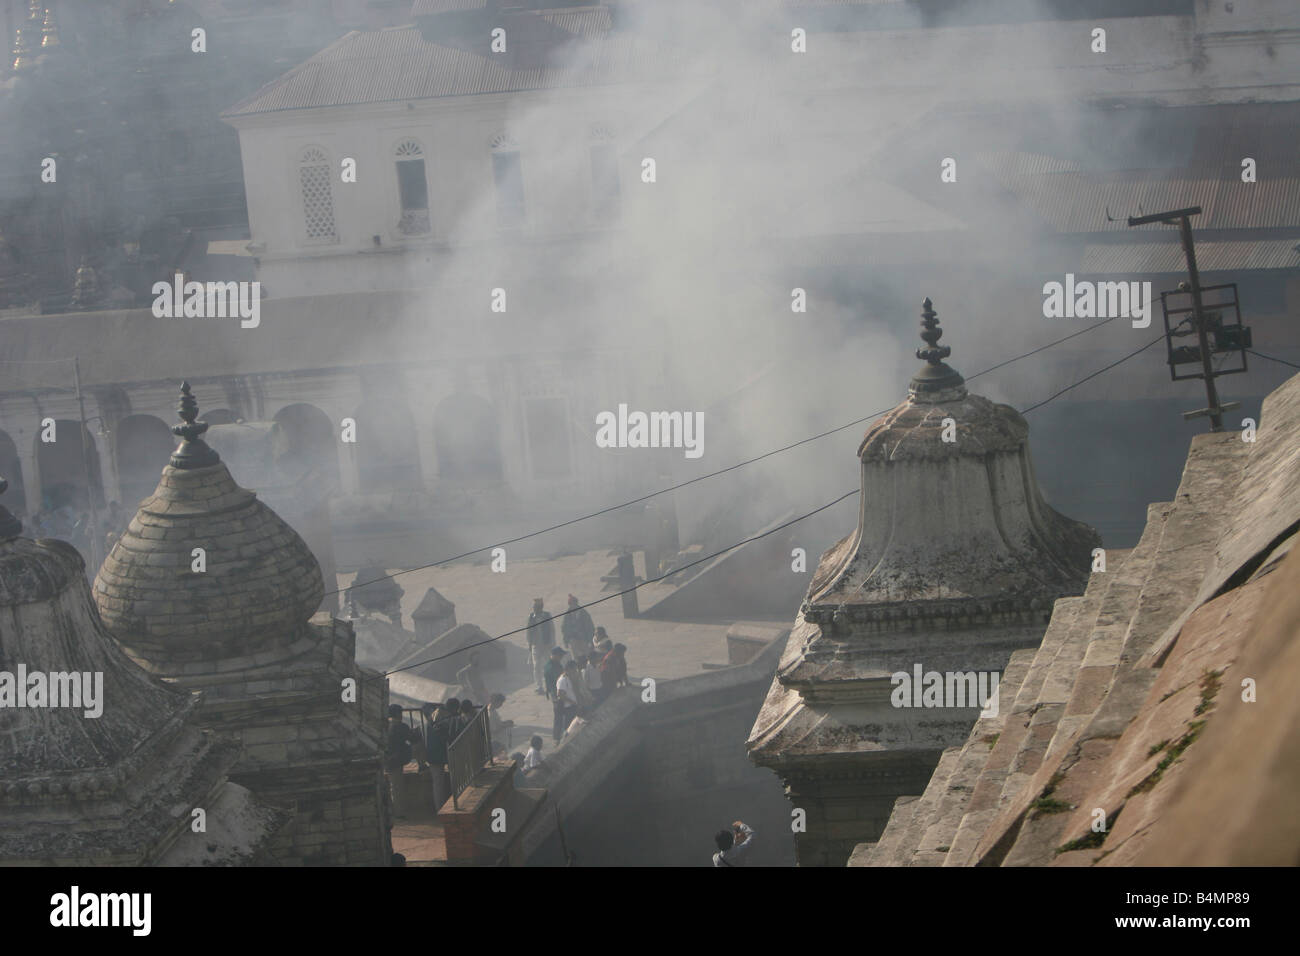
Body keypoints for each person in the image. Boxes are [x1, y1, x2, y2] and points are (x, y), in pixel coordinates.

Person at [423, 702, 451, 812]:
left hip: (432, 756)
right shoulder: (444, 723)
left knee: (437, 783)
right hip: (445, 753)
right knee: (453, 779)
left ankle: (439, 808)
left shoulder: (427, 724)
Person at [527, 598, 556, 695]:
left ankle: (550, 684)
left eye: (535, 607)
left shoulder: (547, 616)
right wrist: (529, 645)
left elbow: (552, 630)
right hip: (536, 645)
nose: (534, 609)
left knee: (548, 665)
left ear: (540, 607)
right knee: (536, 666)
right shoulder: (531, 617)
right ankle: (539, 686)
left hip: (546, 645)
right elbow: (528, 632)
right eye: (533, 607)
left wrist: (552, 644)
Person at [561, 594, 595, 660]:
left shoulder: (584, 613)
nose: (573, 606)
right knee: (575, 658)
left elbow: (590, 627)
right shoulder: (567, 615)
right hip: (573, 640)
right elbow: (564, 629)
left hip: (584, 638)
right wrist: (565, 640)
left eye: (574, 603)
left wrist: (591, 640)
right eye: (571, 604)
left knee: (587, 656)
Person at [544, 647, 567, 741]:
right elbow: (559, 678)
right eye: (560, 655)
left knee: (560, 715)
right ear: (555, 655)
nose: (561, 657)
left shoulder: (555, 663)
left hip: (556, 692)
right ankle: (557, 737)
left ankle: (558, 734)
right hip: (556, 694)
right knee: (558, 715)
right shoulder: (551, 667)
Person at [555, 660, 581, 737]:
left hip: (572, 706)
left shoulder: (568, 678)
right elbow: (560, 694)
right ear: (569, 669)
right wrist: (572, 702)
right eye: (573, 669)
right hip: (568, 707)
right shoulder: (562, 680)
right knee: (568, 727)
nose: (574, 671)